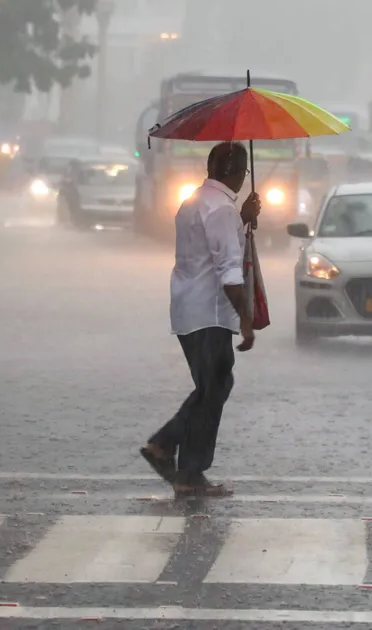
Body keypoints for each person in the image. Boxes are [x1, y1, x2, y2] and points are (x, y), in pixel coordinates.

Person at [140, 141, 261, 498]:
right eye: (244, 171)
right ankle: (173, 453)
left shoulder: (195, 201)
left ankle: (182, 464)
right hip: (209, 312)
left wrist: (242, 217)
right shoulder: (222, 209)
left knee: (213, 388)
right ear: (234, 172)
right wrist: (246, 319)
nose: (244, 178)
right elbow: (228, 269)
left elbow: (210, 246)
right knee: (214, 389)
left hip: (189, 307)